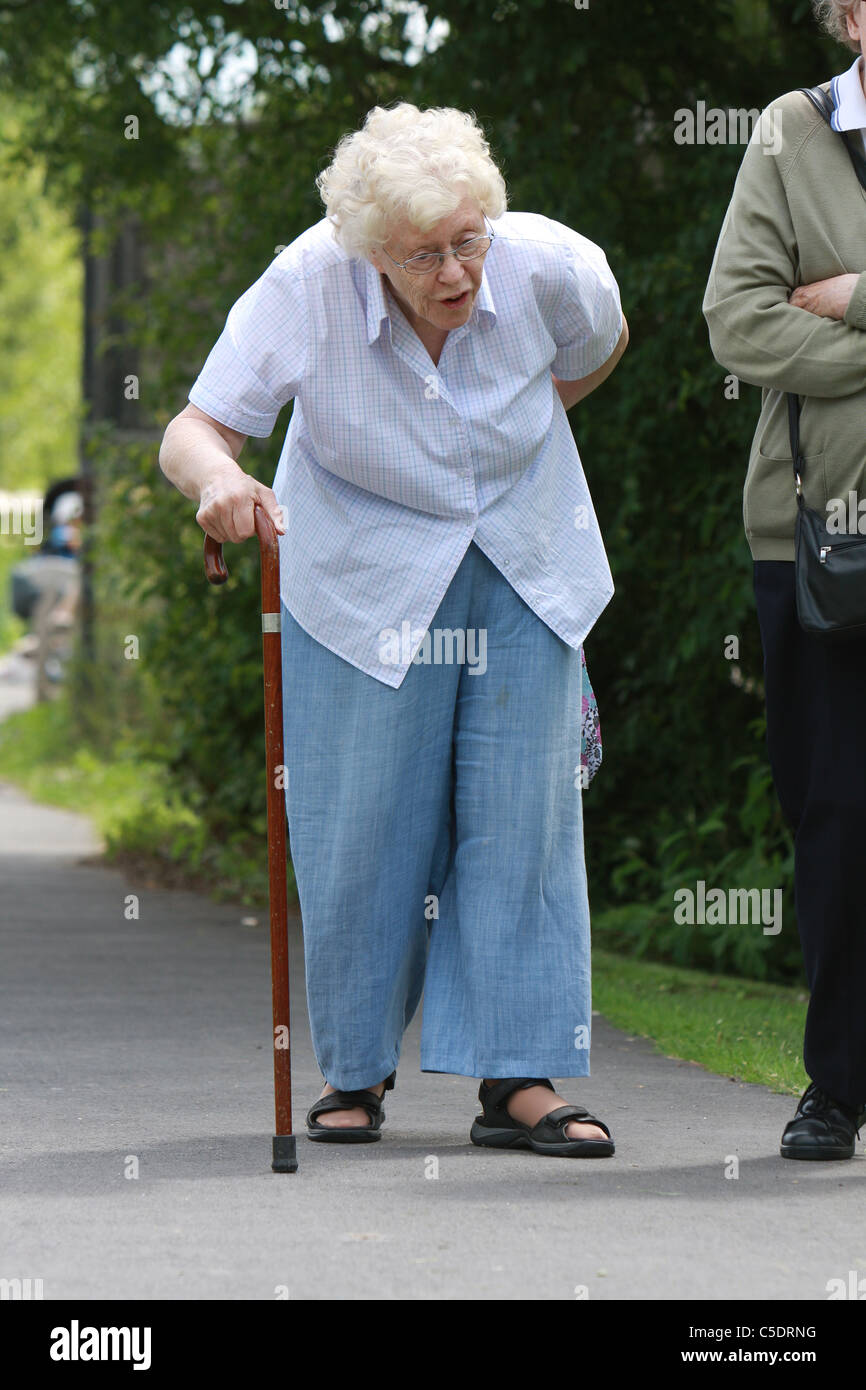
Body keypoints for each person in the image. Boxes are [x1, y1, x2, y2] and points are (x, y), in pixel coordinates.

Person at [159, 102, 628, 1157]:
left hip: (520, 554)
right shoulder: (305, 285)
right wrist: (221, 481)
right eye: (425, 256)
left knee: (522, 817)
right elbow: (195, 428)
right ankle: (356, 1072)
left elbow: (599, 346)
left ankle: (517, 1079)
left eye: (467, 241)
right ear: (371, 251)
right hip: (362, 572)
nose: (456, 273)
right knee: (361, 825)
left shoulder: (552, 266)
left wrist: (507, 439)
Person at [703, 0, 866, 1159]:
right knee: (835, 813)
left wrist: (853, 294)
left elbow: (801, 317)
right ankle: (836, 1086)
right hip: (814, 538)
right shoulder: (783, 131)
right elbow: (737, 322)